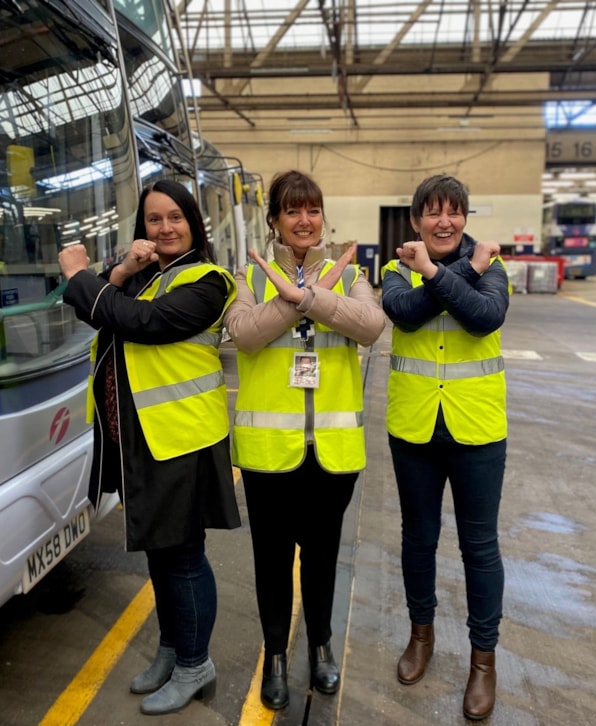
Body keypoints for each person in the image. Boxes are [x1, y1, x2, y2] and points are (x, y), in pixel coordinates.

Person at [57, 179, 240, 717]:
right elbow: (103, 311)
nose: (164, 228)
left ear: (193, 223)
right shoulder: (147, 277)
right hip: (139, 438)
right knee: (161, 555)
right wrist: (117, 274)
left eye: (175, 218)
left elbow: (143, 323)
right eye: (154, 220)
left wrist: (78, 275)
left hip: (181, 439)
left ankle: (195, 664)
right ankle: (172, 648)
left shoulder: (207, 281)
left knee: (183, 557)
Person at [224, 170, 386, 709]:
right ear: (273, 220)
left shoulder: (350, 274)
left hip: (332, 453)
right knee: (271, 561)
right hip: (270, 456)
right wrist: (291, 300)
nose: (304, 220)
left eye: (312, 210)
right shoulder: (246, 276)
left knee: (322, 558)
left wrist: (312, 295)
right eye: (292, 211)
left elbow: (370, 325)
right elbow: (244, 334)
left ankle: (320, 648)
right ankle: (274, 655)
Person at [380, 173, 510, 721]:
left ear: (464, 216)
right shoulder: (391, 271)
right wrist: (463, 270)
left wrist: (433, 271)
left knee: (479, 548)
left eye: (453, 212)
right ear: (415, 220)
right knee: (419, 538)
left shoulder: (494, 268)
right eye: (432, 212)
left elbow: (484, 319)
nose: (443, 221)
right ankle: (421, 635)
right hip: (414, 426)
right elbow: (405, 312)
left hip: (476, 429)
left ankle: (484, 661)